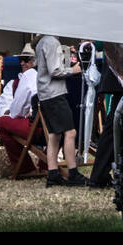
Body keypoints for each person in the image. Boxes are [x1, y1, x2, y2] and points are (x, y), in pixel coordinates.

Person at [35, 35, 87, 186]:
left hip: (46, 94)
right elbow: (55, 71)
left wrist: (66, 53)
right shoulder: (51, 41)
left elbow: (51, 65)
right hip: (54, 94)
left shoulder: (44, 41)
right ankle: (73, 173)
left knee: (54, 135)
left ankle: (53, 175)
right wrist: (74, 70)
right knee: (70, 132)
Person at [0, 45, 42, 176]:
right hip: (62, 128)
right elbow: (4, 107)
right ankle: (46, 165)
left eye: (26, 59)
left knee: (1, 123)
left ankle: (25, 169)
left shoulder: (29, 77)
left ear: (36, 61)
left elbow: (15, 112)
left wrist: (16, 114)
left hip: (37, 129)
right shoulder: (57, 77)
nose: (22, 63)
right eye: (21, 60)